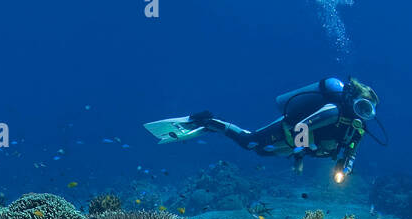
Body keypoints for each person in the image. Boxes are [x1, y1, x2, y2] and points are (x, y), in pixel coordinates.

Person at [145, 77, 383, 181]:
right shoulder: (333, 110)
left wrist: (345, 168)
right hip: (290, 131)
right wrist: (299, 155)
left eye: (367, 111)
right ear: (352, 101)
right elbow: (302, 126)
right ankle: (208, 121)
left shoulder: (358, 129)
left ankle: (214, 127)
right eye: (360, 107)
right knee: (250, 142)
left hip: (299, 146)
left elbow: (351, 153)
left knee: (261, 152)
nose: (361, 115)